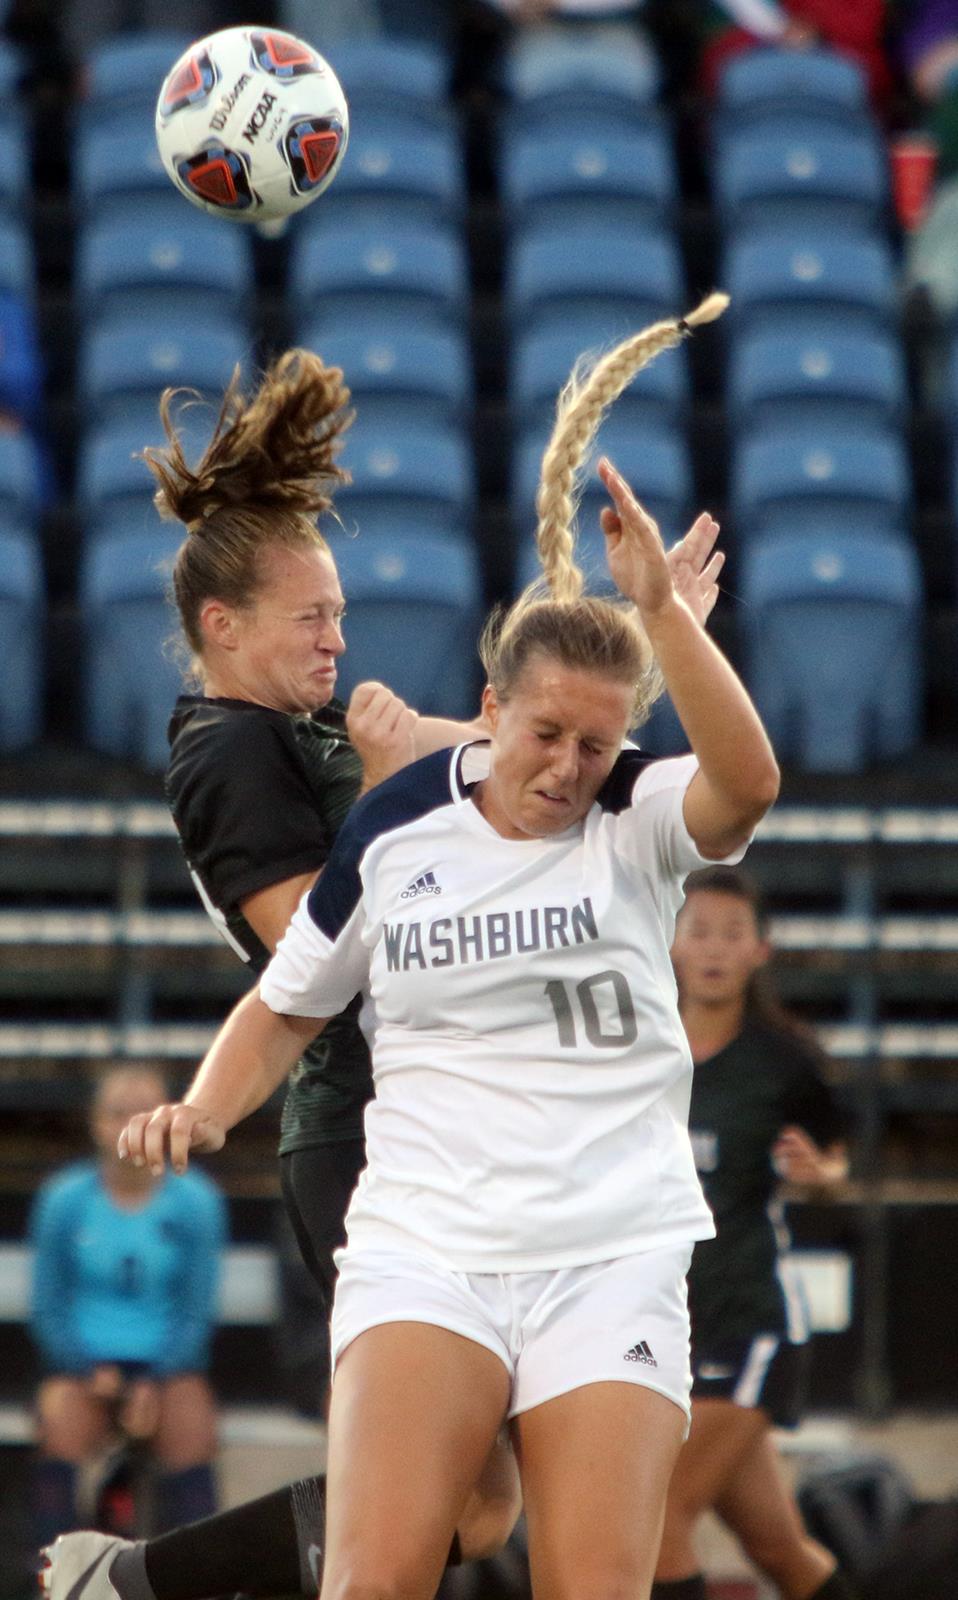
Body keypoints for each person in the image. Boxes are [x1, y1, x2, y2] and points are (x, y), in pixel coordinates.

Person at [118, 291, 779, 1600]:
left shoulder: (625, 805)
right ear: (489, 712)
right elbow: (298, 990)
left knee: (548, 1551)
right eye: (541, 736)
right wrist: (199, 1110)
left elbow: (738, 781)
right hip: (404, 1190)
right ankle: (146, 1580)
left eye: (594, 745)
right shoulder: (353, 810)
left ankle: (152, 1581)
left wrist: (670, 634)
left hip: (608, 1245)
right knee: (391, 1565)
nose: (568, 766)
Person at [41, 346, 523, 1600]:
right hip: (357, 1127)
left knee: (472, 1505)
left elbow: (451, 783)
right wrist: (387, 786)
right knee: (435, 1503)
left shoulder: (289, 728)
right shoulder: (226, 754)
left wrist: (510, 734)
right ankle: (135, 1578)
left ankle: (136, 1579)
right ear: (222, 624)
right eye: (312, 616)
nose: (337, 636)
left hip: (427, 1117)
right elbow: (316, 943)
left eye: (341, 612)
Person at [651, 865, 855, 1600]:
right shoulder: (636, 1045)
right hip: (659, 1325)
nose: (713, 948)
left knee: (657, 1518)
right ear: (670, 940)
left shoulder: (784, 1059)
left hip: (749, 1321)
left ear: (760, 951)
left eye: (732, 933)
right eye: (698, 929)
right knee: (778, 1549)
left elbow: (835, 1159)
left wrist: (818, 1172)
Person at [29, 1066, 226, 1553]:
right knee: (60, 1420)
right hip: (85, 1368)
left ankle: (198, 1577)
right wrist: (85, 1367)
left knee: (192, 1427)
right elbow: (48, 1305)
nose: (131, 1126)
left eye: (146, 1113)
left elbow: (196, 1310)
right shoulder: (64, 1199)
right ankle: (53, 1574)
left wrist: (156, 1377)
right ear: (96, 1123)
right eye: (118, 1113)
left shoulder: (196, 1202)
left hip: (168, 1367)